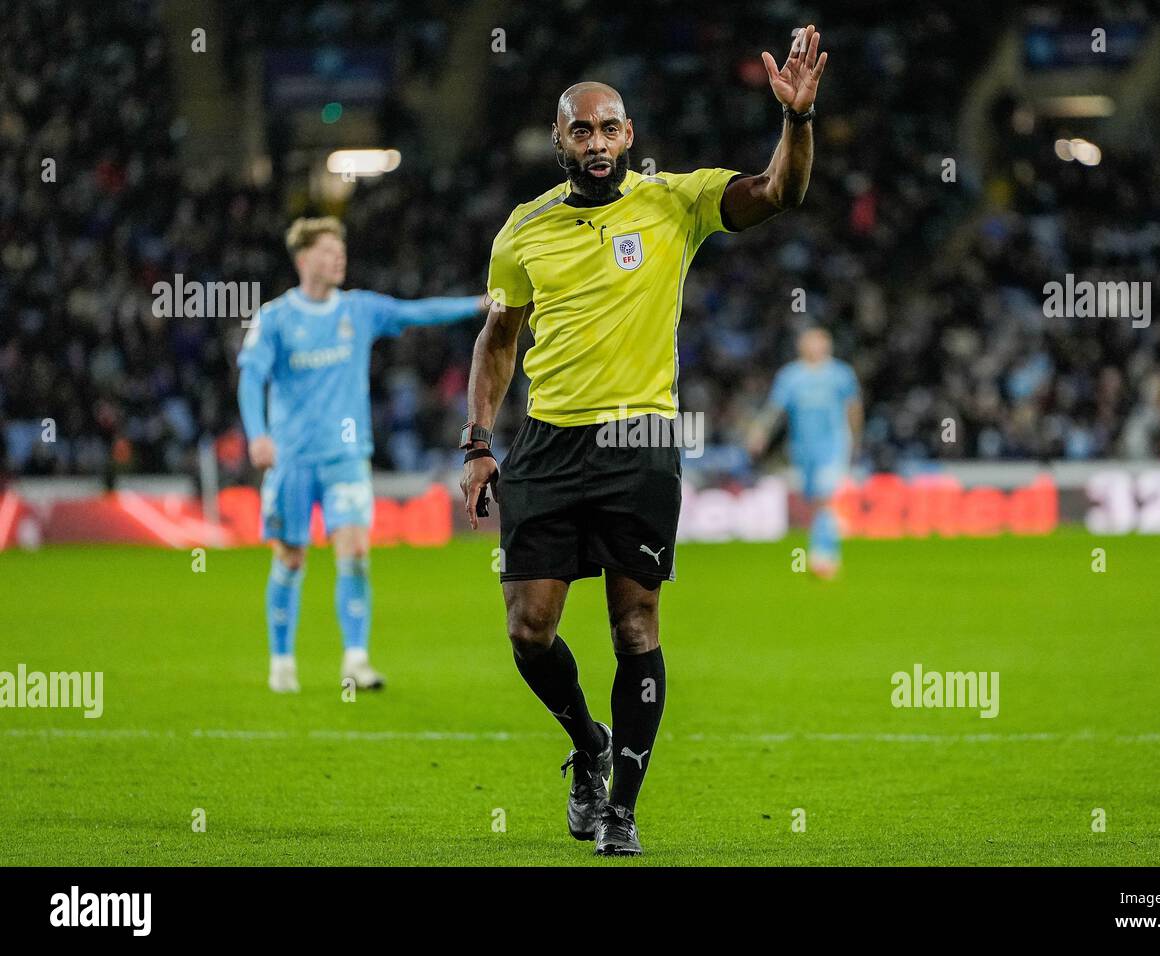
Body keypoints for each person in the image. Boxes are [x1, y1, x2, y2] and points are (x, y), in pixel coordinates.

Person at [460, 24, 828, 855]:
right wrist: (478, 441)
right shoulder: (524, 231)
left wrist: (797, 122)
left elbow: (779, 193)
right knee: (530, 630)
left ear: (631, 136)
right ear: (559, 139)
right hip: (549, 442)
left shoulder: (676, 201)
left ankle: (622, 808)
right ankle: (587, 746)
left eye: (610, 127)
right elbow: (497, 339)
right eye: (581, 128)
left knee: (636, 629)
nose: (597, 141)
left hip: (638, 440)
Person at [238, 216, 484, 693]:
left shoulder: (360, 310)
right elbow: (251, 376)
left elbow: (417, 311)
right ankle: (282, 662)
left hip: (346, 456)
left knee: (354, 551)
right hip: (290, 459)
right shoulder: (274, 318)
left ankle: (356, 659)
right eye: (330, 250)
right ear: (304, 259)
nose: (340, 258)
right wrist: (257, 434)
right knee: (290, 558)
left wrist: (477, 304)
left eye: (342, 250)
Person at [748, 327, 862, 579]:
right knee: (814, 498)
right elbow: (775, 408)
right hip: (802, 446)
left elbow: (853, 407)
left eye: (820, 343)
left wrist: (855, 438)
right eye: (810, 343)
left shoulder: (840, 374)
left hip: (833, 444)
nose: (815, 348)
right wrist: (760, 432)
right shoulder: (791, 376)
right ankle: (825, 545)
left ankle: (824, 555)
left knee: (824, 496)